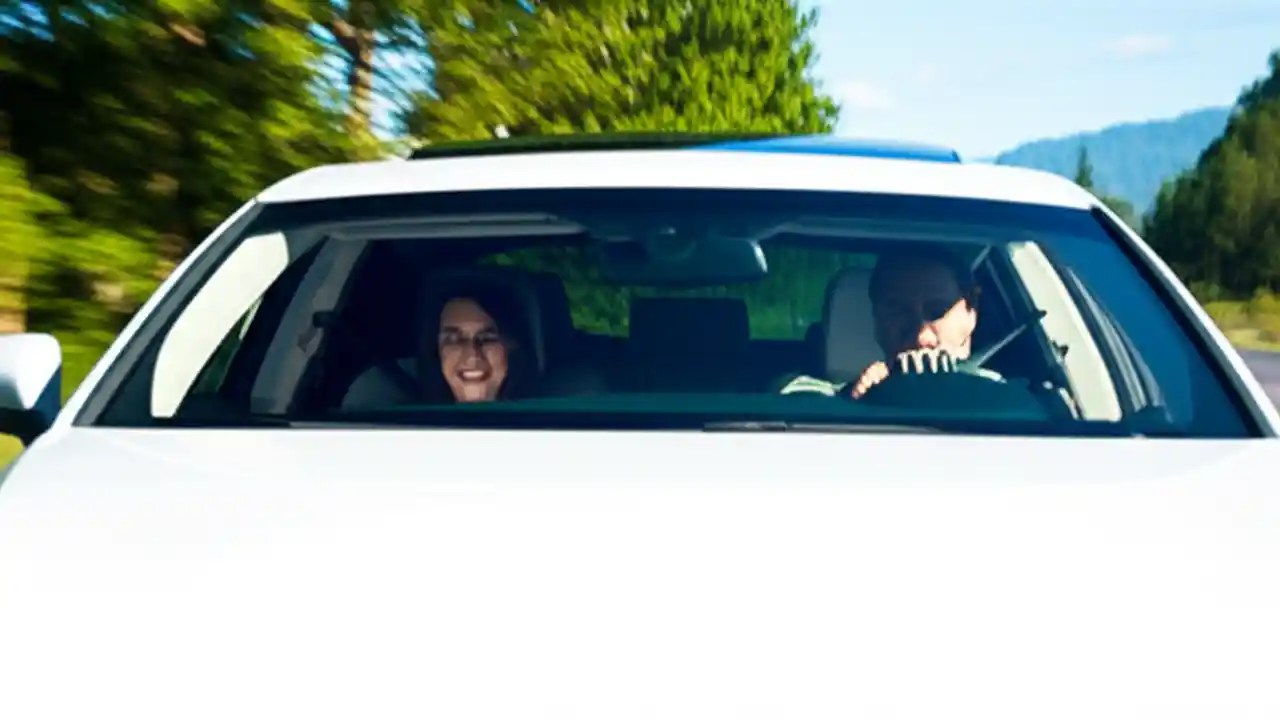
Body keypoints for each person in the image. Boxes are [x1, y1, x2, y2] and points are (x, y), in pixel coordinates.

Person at [781, 246, 994, 399]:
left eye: (937, 311)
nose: (921, 338)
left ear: (972, 308)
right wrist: (859, 397)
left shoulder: (1001, 399)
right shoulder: (814, 398)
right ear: (876, 317)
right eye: (897, 311)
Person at [418, 280, 534, 403]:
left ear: (513, 347)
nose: (472, 355)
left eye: (487, 339)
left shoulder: (543, 417)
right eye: (453, 340)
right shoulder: (409, 418)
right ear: (437, 351)